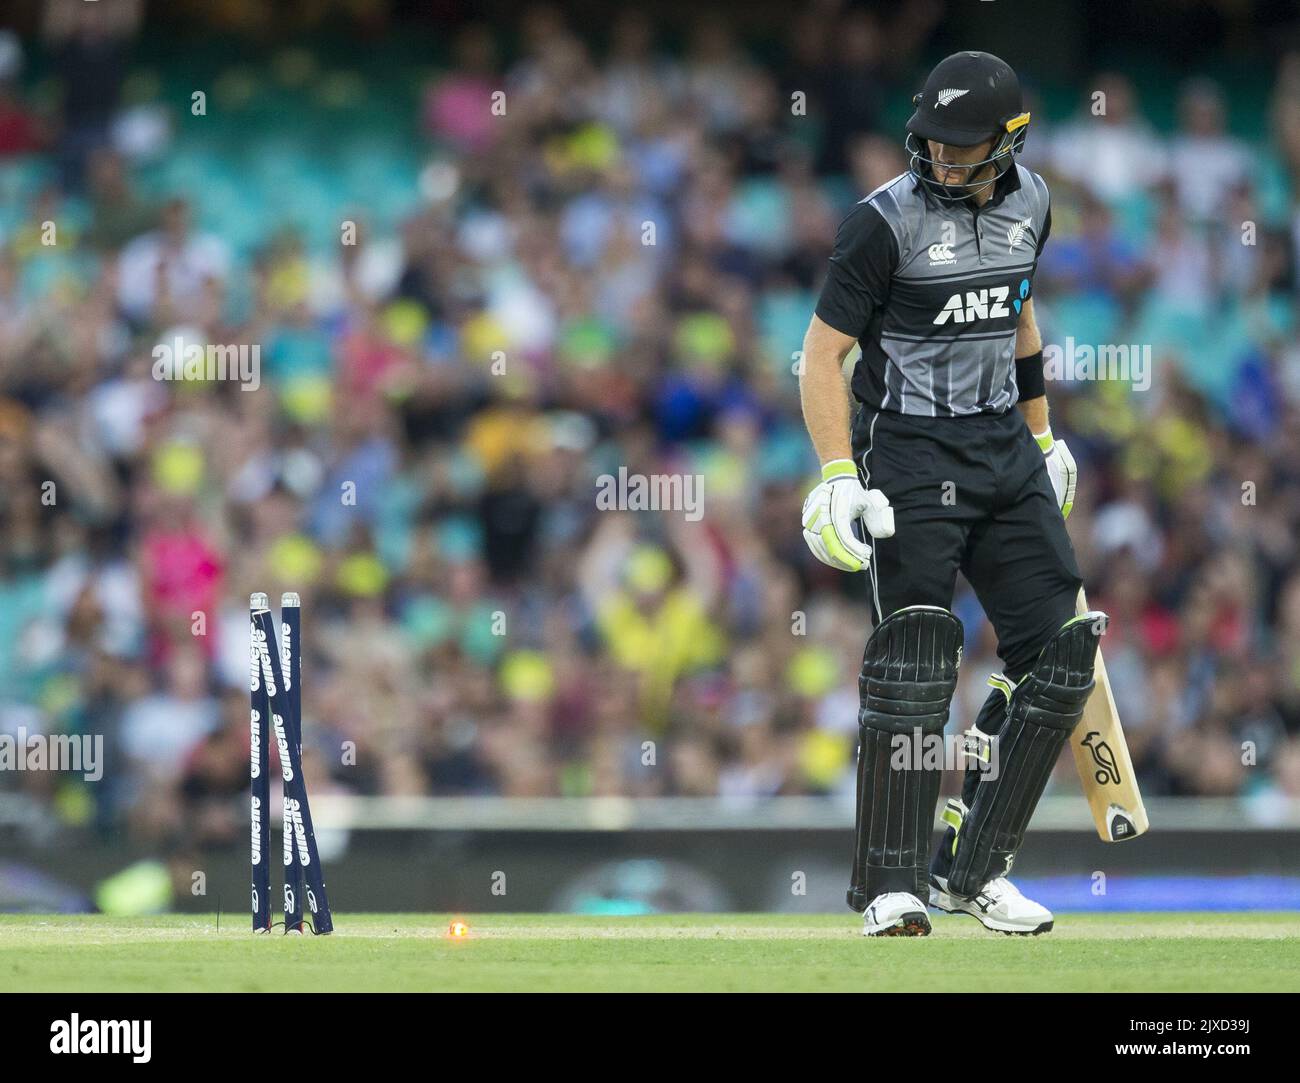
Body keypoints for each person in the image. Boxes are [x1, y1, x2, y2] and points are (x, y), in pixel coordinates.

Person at [798, 51, 1103, 936]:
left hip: (1004, 447)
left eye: (962, 147)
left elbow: (1020, 313)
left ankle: (971, 870)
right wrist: (833, 476)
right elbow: (823, 354)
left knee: (1062, 654)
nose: (941, 160)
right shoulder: (880, 222)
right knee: (917, 659)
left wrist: (1045, 436)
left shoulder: (1034, 204)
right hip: (907, 450)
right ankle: (889, 885)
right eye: (931, 143)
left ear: (1008, 145)